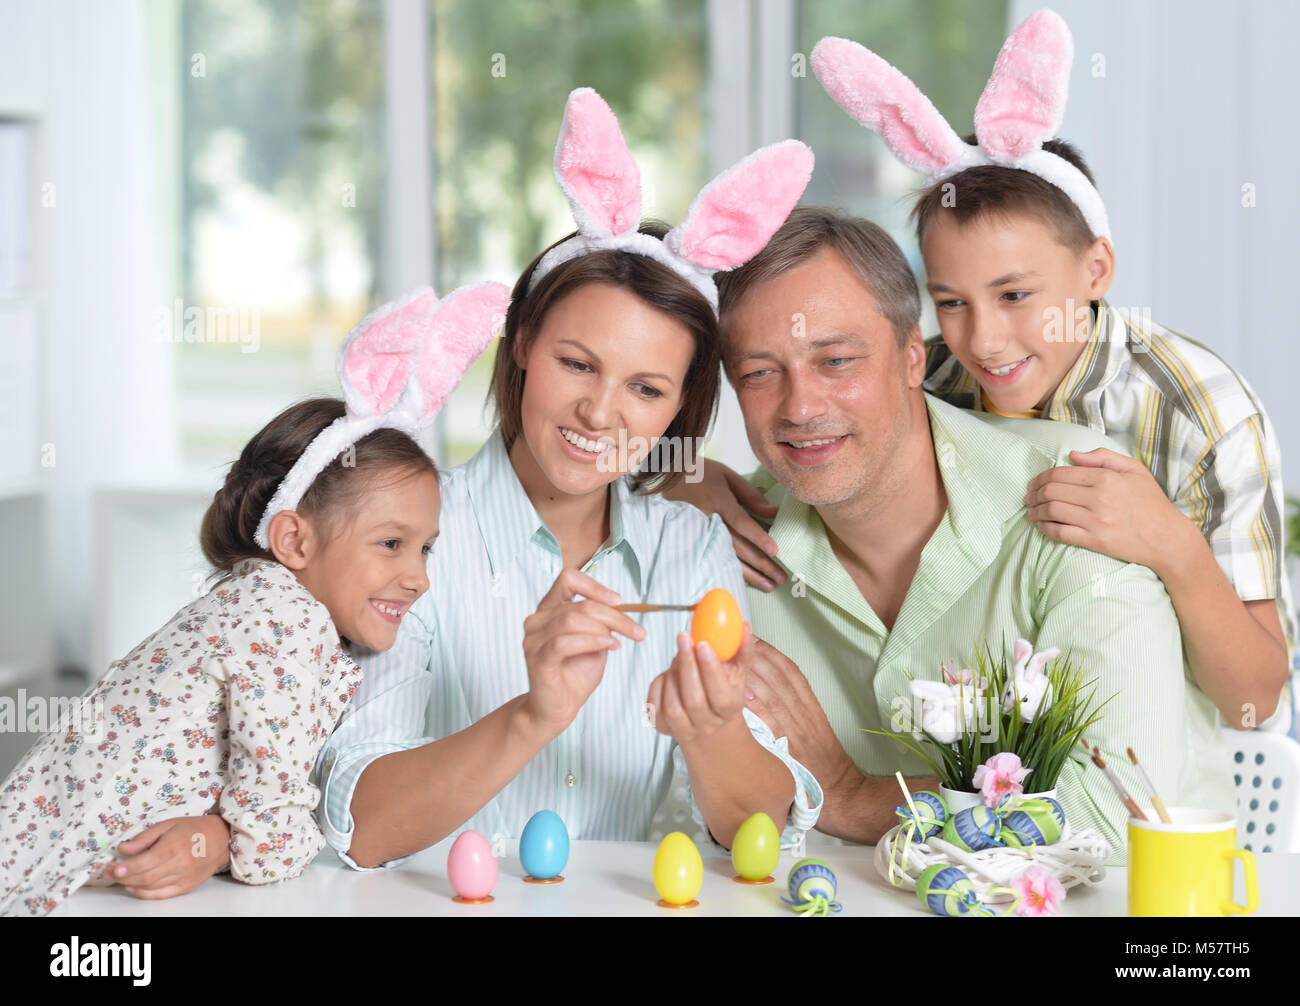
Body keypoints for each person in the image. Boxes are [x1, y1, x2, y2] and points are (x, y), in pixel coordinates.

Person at [314, 88, 821, 871]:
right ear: (520, 343)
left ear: (678, 407)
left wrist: (712, 732)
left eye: (646, 390)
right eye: (577, 364)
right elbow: (363, 825)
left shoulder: (691, 552)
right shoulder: (406, 536)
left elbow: (757, 831)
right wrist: (533, 715)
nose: (600, 412)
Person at [699, 205, 1235, 862]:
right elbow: (713, 812)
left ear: (911, 358)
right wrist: (659, 474)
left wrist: (846, 793)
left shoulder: (1080, 501)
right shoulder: (726, 544)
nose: (801, 406)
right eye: (759, 373)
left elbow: (1106, 823)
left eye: (836, 360)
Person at [809, 10, 1293, 733]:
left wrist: (1171, 545)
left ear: (1095, 268)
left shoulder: (1199, 413)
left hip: (1142, 775)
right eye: (952, 302)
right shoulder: (931, 381)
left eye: (1014, 295)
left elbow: (1254, 699)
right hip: (966, 775)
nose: (984, 339)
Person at [0, 281, 498, 914]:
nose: (419, 577)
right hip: (48, 890)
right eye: (391, 544)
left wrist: (220, 835)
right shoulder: (282, 624)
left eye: (425, 549)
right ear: (294, 539)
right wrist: (246, 835)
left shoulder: (257, 605)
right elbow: (268, 841)